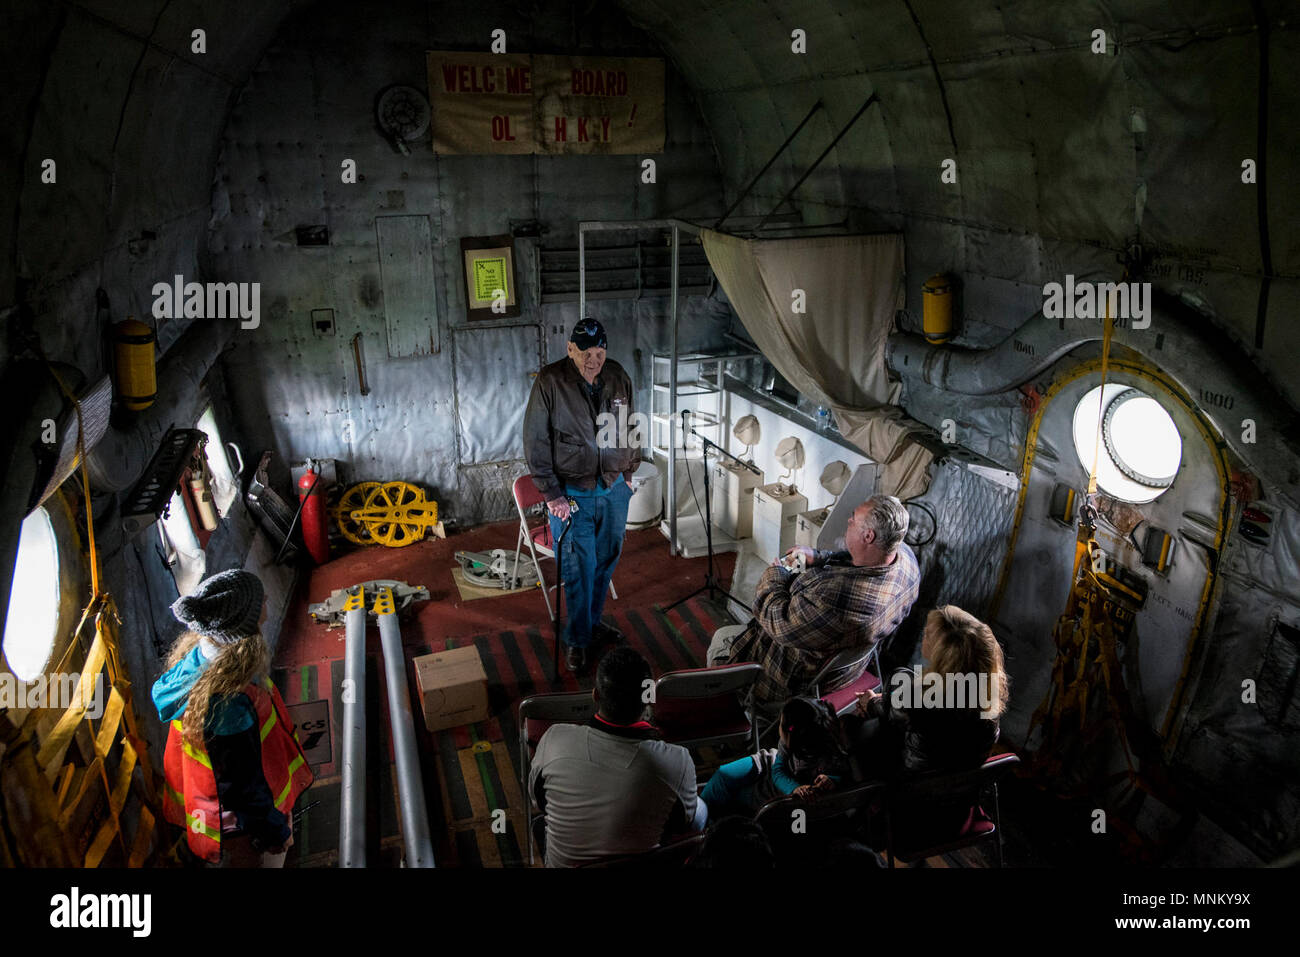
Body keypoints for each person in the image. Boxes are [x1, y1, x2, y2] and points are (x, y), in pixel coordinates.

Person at [152, 569, 313, 867]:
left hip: (215, 814)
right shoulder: (229, 704)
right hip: (240, 828)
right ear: (245, 624)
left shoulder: (198, 663)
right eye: (259, 600)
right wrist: (276, 833)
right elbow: (242, 789)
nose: (266, 600)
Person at [708, 493, 921, 704]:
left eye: (853, 518)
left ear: (868, 536)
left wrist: (776, 572)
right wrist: (819, 556)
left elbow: (775, 619)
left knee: (720, 639)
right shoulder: (906, 560)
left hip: (791, 681)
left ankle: (738, 711)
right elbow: (858, 560)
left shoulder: (834, 599)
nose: (849, 520)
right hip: (847, 669)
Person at [523, 317, 640, 673]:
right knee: (578, 567)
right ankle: (576, 640)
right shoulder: (551, 381)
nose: (594, 359)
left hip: (614, 487)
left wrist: (630, 471)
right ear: (569, 349)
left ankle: (590, 625)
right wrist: (551, 494)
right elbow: (536, 440)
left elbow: (630, 425)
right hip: (572, 492)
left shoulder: (618, 376)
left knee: (605, 561)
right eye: (586, 352)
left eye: (600, 351)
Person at [528, 646, 705, 867]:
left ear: (595, 695)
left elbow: (538, 800)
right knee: (700, 807)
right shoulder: (677, 762)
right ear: (648, 699)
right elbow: (684, 823)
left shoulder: (555, 739)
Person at [846, 604, 1008, 777]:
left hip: (910, 780)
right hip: (952, 783)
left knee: (850, 724)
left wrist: (872, 701)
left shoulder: (922, 700)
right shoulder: (987, 702)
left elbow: (893, 713)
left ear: (946, 657)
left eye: (930, 635)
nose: (925, 634)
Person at [700, 696, 847, 818]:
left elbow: (844, 774)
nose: (779, 727)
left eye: (781, 723)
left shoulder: (834, 752)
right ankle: (701, 818)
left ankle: (706, 825)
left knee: (738, 797)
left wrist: (832, 780)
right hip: (772, 766)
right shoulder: (790, 741)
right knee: (723, 775)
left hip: (779, 797)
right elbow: (778, 770)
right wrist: (795, 788)